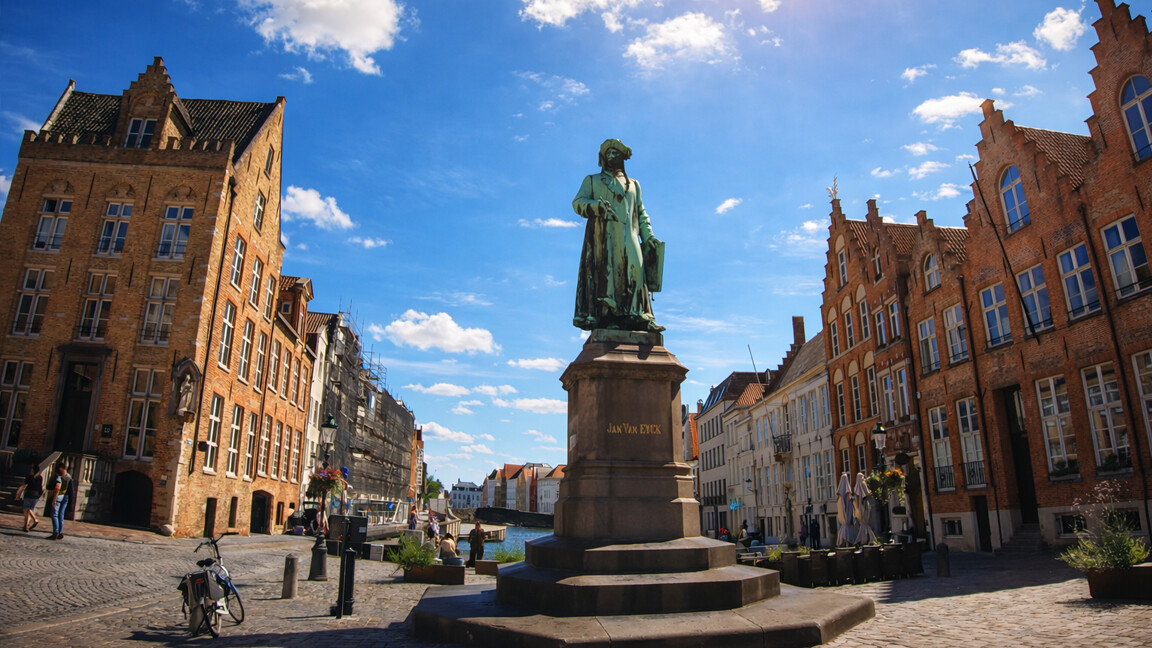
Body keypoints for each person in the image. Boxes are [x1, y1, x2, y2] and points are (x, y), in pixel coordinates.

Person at [572, 138, 665, 332]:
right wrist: (595, 206)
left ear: (623, 157)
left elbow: (641, 213)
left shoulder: (634, 184)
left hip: (630, 235)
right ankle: (610, 317)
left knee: (636, 272)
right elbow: (577, 203)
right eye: (609, 153)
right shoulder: (592, 180)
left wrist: (649, 236)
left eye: (616, 153)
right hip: (604, 237)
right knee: (609, 276)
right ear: (603, 158)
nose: (612, 157)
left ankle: (638, 316)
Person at [46, 463, 73, 540]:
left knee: (54, 514)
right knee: (61, 515)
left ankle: (56, 532)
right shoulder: (69, 477)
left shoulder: (59, 477)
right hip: (66, 496)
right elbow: (71, 490)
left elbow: (57, 488)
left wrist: (54, 499)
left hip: (59, 496)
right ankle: (59, 532)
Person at [15, 464, 43, 532]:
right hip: (36, 494)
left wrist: (18, 495)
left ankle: (35, 519)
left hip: (29, 494)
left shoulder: (29, 477)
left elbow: (23, 486)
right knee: (29, 510)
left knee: (26, 509)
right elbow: (40, 487)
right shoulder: (40, 477)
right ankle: (26, 526)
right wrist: (39, 495)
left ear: (33, 470)